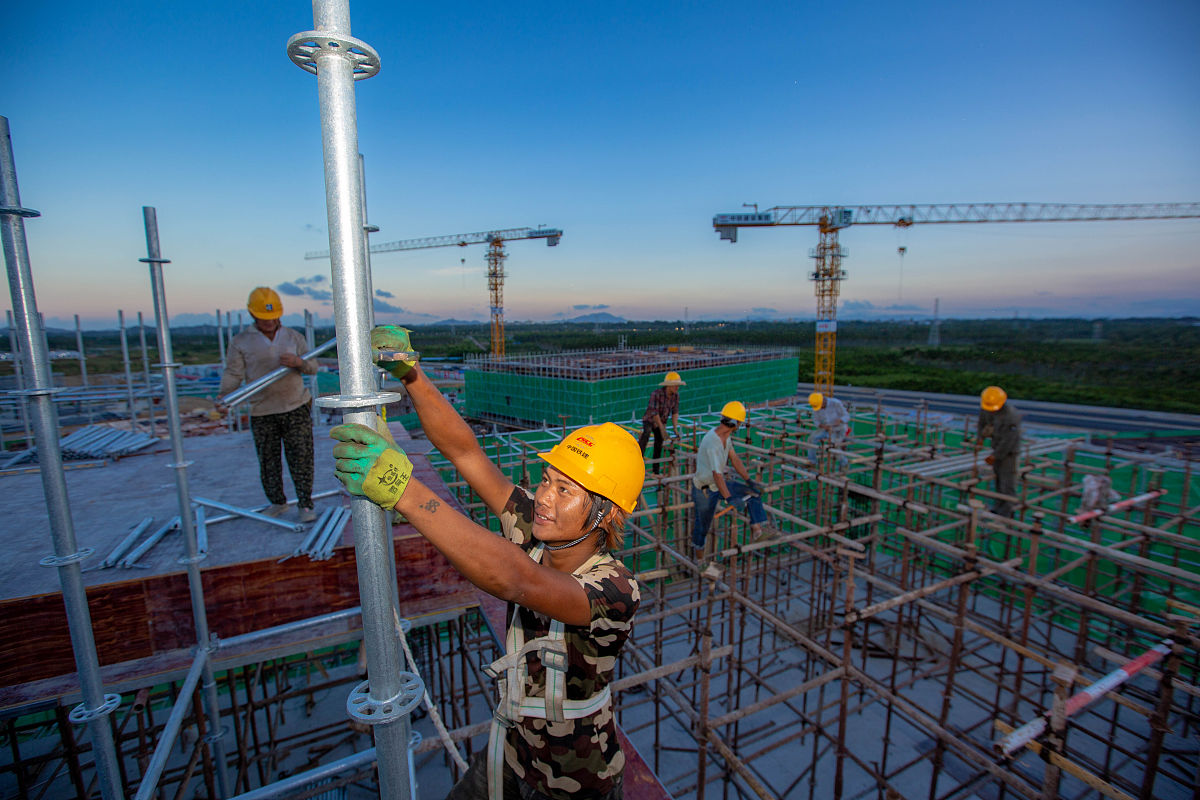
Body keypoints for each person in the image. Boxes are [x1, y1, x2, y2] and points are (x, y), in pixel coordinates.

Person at [330, 325, 645, 800]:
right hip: (513, 749)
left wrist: (407, 493)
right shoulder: (538, 531)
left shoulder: (615, 589)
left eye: (565, 491)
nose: (543, 497)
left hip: (573, 780)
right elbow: (465, 451)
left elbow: (517, 580)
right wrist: (412, 376)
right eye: (545, 480)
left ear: (607, 514)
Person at [217, 287, 319, 523]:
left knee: (301, 457)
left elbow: (312, 367)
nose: (270, 322)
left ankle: (305, 504)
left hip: (295, 405)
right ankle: (277, 502)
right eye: (264, 318)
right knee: (268, 460)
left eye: (273, 317)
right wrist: (224, 396)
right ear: (254, 316)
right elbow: (233, 374)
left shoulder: (294, 337)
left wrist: (297, 362)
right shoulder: (241, 342)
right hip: (263, 410)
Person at [690, 400, 771, 555]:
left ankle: (757, 531)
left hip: (719, 484)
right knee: (702, 528)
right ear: (735, 423)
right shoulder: (712, 442)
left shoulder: (726, 437)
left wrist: (749, 481)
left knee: (753, 493)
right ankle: (700, 563)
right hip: (705, 489)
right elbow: (717, 475)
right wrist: (729, 498)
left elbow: (735, 459)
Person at [977, 385, 1022, 517]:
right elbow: (981, 423)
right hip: (996, 446)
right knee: (998, 480)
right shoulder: (987, 408)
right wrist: (980, 438)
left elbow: (1008, 441)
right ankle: (998, 508)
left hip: (1009, 452)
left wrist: (995, 456)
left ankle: (1008, 512)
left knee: (1007, 482)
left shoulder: (1011, 416)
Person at [637, 371, 684, 473]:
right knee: (647, 433)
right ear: (669, 386)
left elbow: (675, 412)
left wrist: (675, 428)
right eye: (676, 385)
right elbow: (654, 413)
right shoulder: (656, 394)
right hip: (650, 420)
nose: (677, 388)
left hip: (661, 421)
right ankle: (639, 458)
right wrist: (662, 428)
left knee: (659, 441)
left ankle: (656, 469)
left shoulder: (676, 396)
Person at [806, 392, 850, 469]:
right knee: (811, 439)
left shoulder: (836, 403)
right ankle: (812, 461)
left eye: (821, 406)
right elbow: (816, 421)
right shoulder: (816, 406)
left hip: (838, 429)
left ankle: (844, 464)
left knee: (834, 445)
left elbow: (846, 416)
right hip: (825, 428)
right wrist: (823, 426)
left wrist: (840, 420)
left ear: (823, 400)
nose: (820, 408)